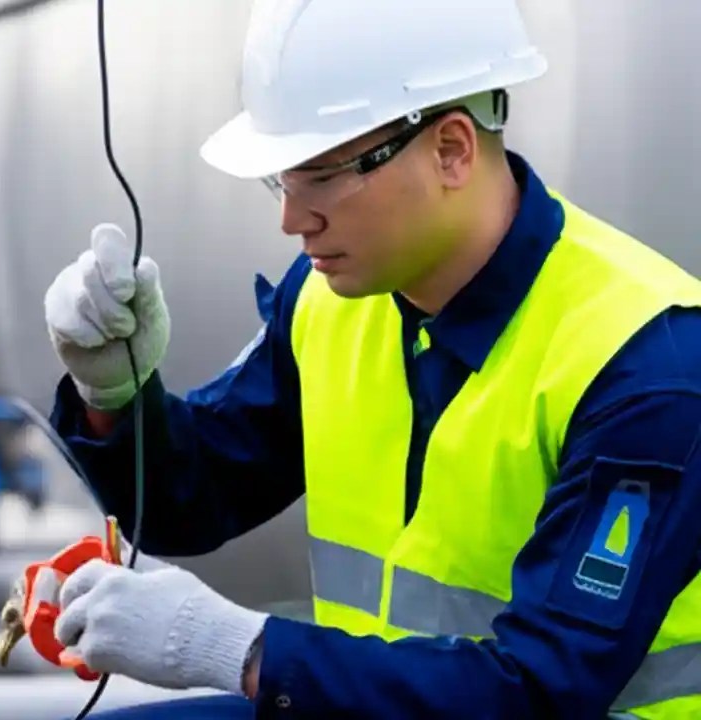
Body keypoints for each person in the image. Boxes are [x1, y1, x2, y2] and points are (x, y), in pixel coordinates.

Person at [40, 1, 701, 718]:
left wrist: (243, 649)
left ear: (451, 149)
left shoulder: (645, 369)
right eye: (282, 180)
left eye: (323, 175)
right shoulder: (333, 301)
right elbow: (192, 502)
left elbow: (540, 689)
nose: (293, 220)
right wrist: (113, 393)